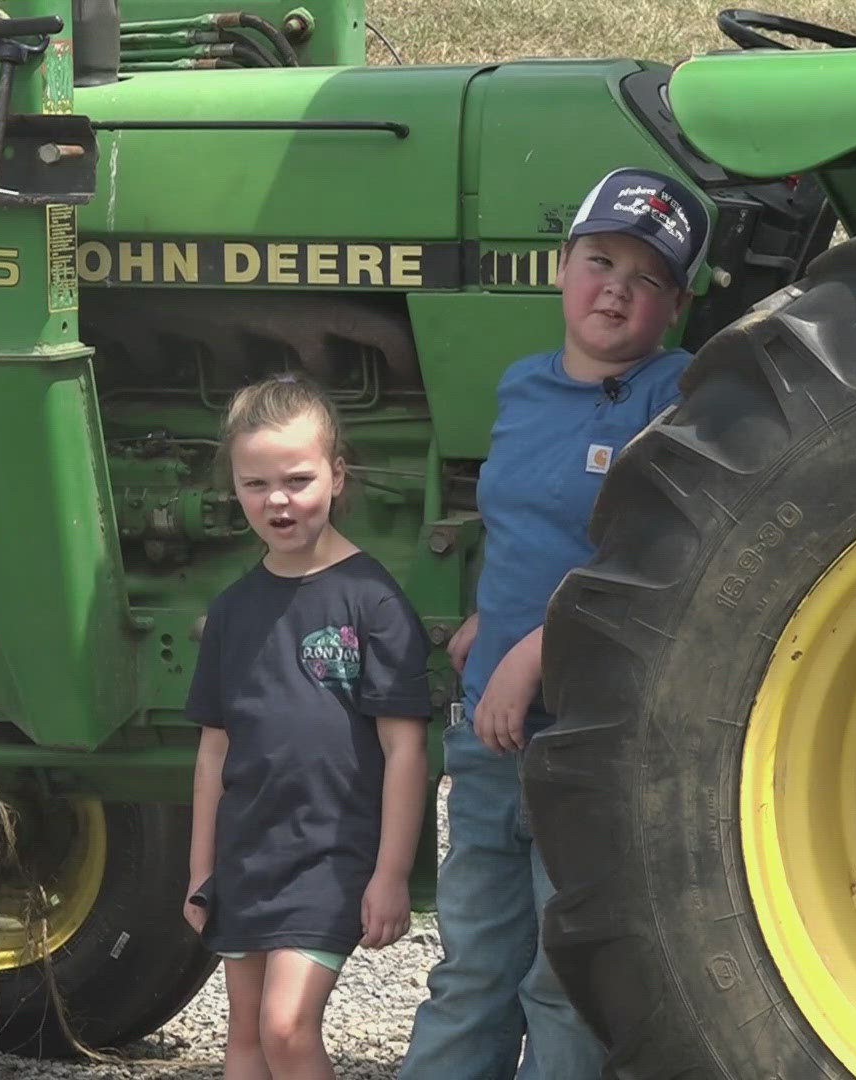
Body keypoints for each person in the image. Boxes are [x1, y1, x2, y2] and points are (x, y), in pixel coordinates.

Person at [400, 166, 710, 1080]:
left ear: (677, 304)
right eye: (599, 259)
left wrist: (536, 648)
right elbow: (528, 525)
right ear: (561, 266)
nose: (615, 286)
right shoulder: (521, 388)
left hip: (590, 734)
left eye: (646, 276)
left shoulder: (678, 395)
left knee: (563, 984)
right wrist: (484, 625)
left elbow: (659, 561)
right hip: (489, 736)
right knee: (471, 973)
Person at [183, 374, 433, 1080]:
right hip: (249, 853)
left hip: (329, 857)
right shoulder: (233, 609)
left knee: (287, 1029)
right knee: (244, 1044)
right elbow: (213, 751)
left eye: (297, 479)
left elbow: (406, 748)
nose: (278, 501)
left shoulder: (373, 600)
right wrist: (203, 869)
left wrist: (391, 875)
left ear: (338, 474)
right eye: (256, 483)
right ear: (234, 486)